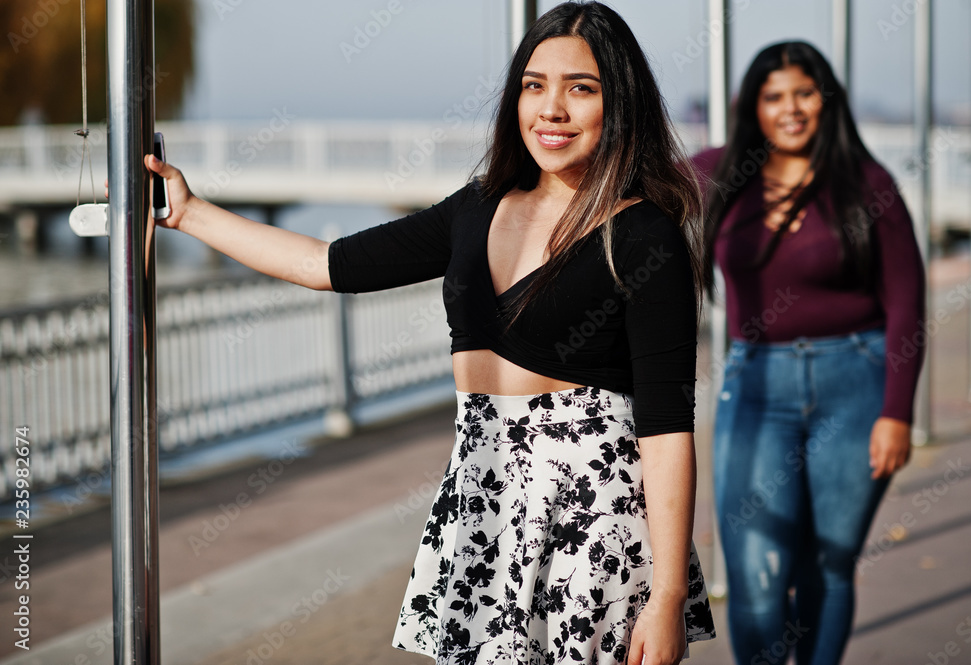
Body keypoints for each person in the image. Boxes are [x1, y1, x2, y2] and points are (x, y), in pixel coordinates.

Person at [132, 3, 715, 663]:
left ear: (622, 104)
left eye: (580, 88)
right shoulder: (477, 206)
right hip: (481, 496)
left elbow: (667, 429)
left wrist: (666, 594)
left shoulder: (641, 235)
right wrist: (191, 212)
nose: (551, 108)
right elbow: (329, 265)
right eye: (534, 85)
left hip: (593, 521)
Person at [692, 41, 925, 665]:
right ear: (753, 106)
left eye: (803, 92)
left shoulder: (868, 184)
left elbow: (906, 303)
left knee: (829, 561)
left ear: (826, 100)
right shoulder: (717, 173)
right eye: (774, 96)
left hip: (857, 382)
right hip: (756, 385)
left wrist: (897, 413)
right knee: (756, 574)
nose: (790, 108)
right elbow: (629, 188)